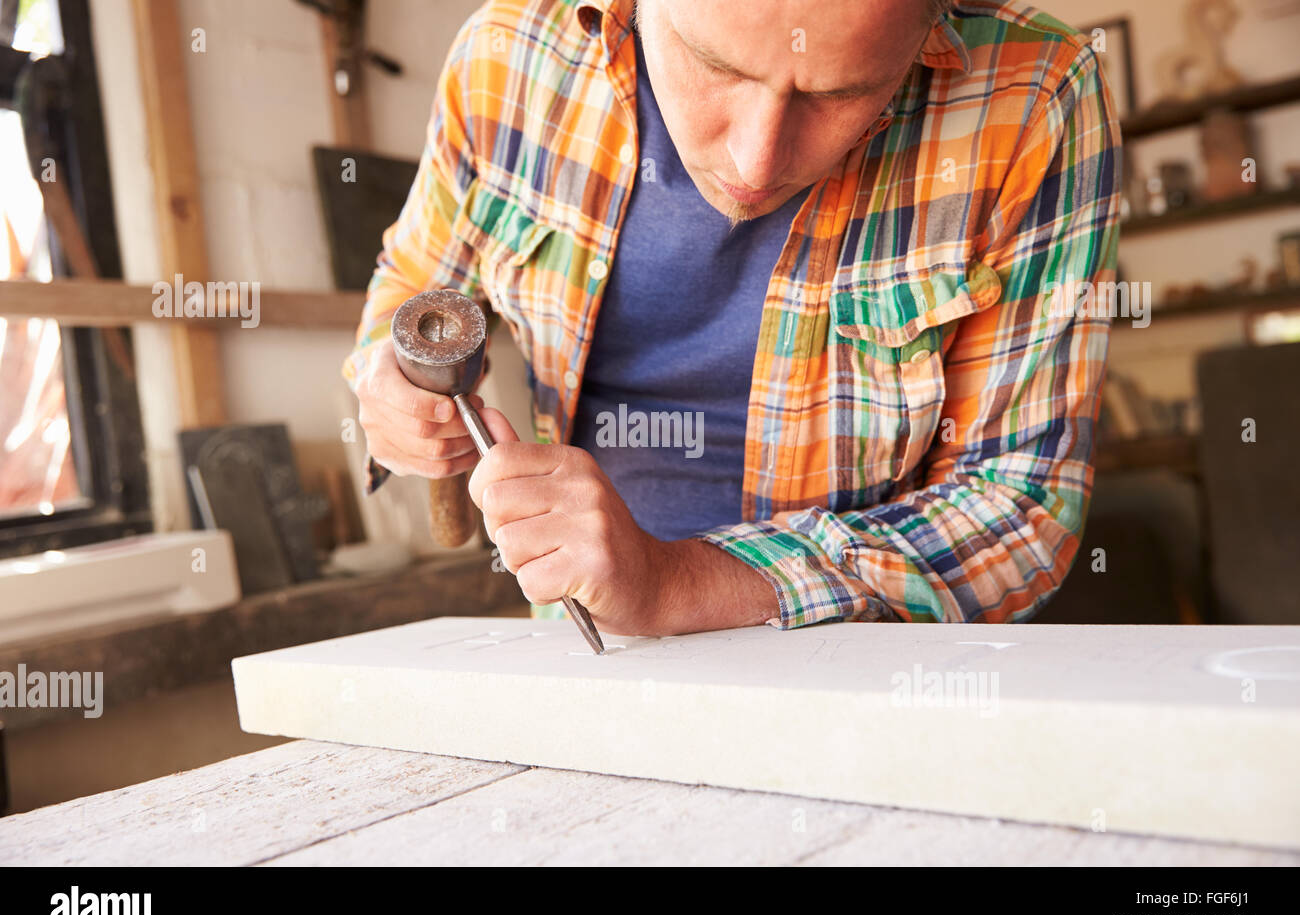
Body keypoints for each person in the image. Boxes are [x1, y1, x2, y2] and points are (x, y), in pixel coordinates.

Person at [344, 0, 1121, 636]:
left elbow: (1020, 510)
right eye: (716, 67)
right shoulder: (503, 63)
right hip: (585, 650)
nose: (755, 162)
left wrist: (680, 585)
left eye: (839, 93)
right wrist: (387, 387)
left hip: (874, 676)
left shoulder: (1034, 94)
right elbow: (414, 288)